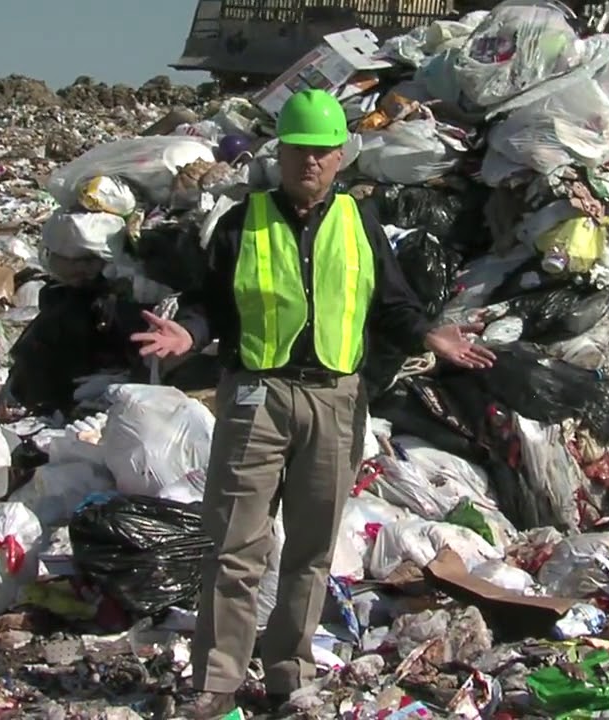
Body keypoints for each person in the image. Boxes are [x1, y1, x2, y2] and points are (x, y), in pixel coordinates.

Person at [130, 88, 497, 719]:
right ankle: (217, 680)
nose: (312, 162)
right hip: (258, 396)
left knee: (310, 549)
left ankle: (289, 674)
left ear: (339, 157)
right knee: (234, 544)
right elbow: (211, 302)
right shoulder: (242, 222)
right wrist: (188, 333)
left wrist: (432, 334)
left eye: (323, 151)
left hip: (334, 399)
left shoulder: (360, 222)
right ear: (281, 154)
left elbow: (393, 303)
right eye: (300, 150)